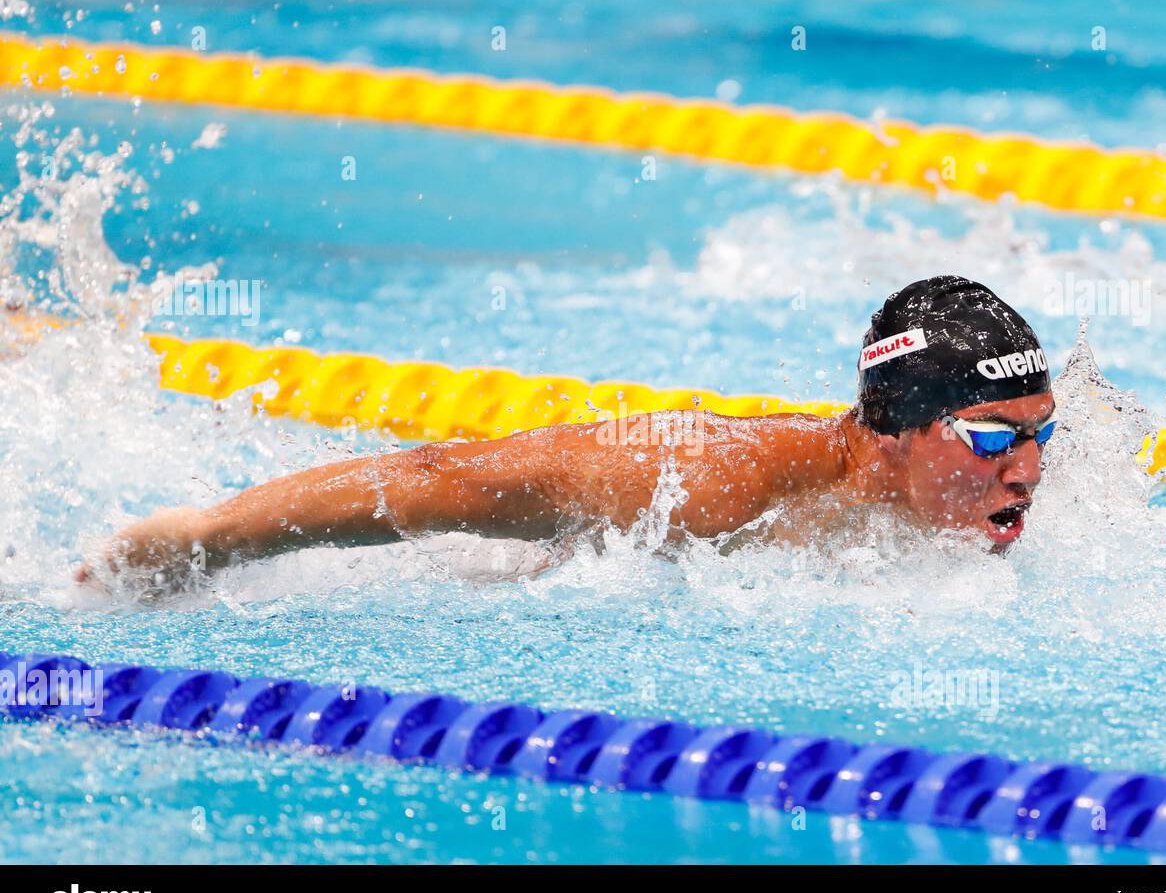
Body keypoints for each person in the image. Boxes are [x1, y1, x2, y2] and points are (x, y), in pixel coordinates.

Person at [75, 275, 1057, 588]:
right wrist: (203, 540)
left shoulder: (1011, 468)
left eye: (1040, 435)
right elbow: (432, 477)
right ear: (886, 428)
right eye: (987, 439)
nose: (1028, 471)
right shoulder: (703, 479)